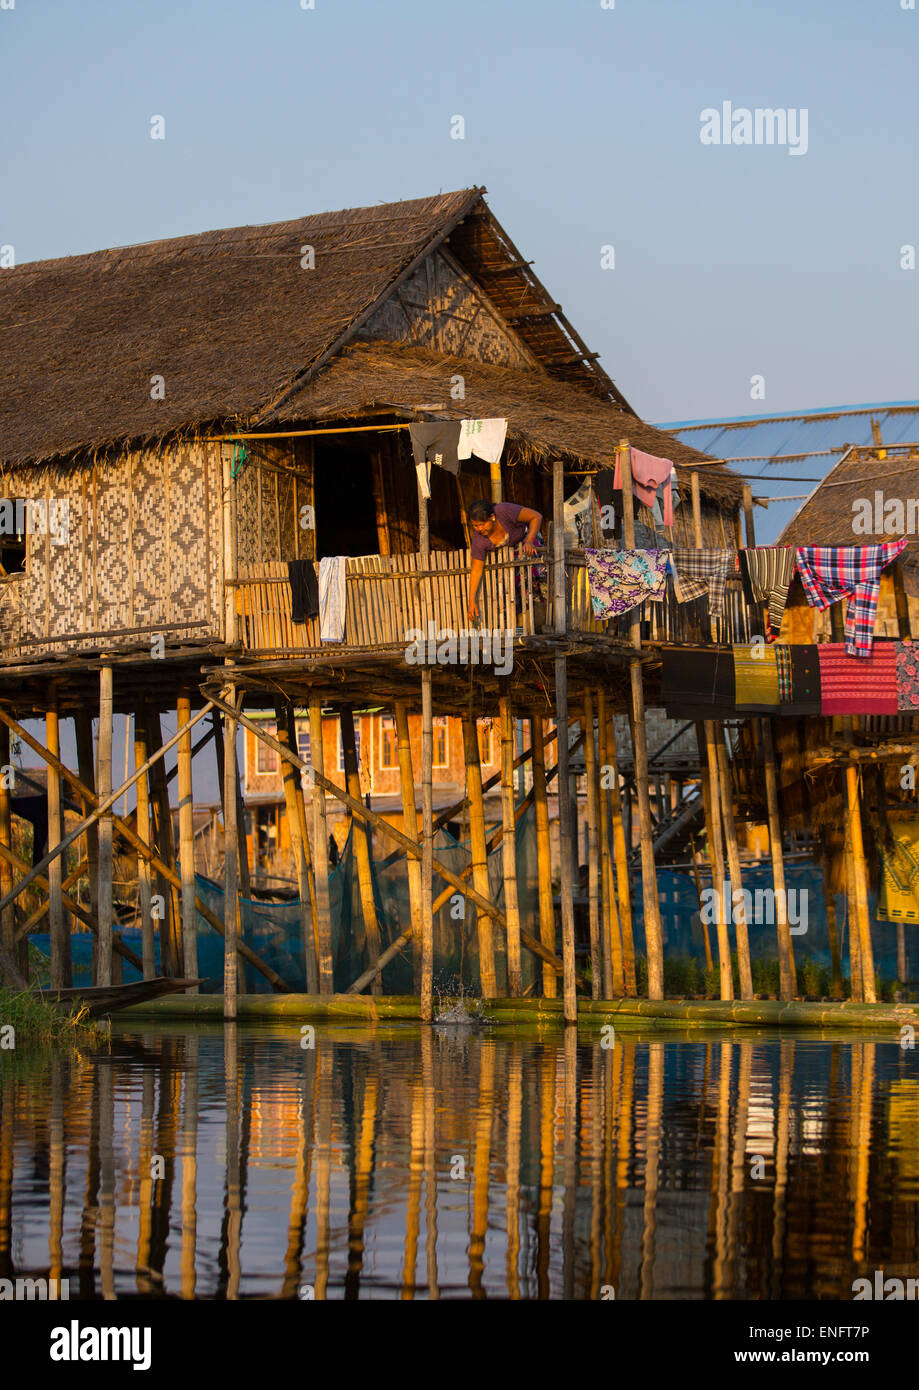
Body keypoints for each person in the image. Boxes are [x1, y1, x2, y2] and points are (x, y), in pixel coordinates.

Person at [466, 499, 544, 622]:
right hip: (509, 553)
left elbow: (536, 517)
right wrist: (471, 601)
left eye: (482, 524)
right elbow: (476, 570)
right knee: (508, 585)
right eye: (475, 525)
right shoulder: (479, 540)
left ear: (492, 517)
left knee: (537, 573)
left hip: (528, 539)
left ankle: (544, 611)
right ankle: (520, 621)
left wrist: (529, 541)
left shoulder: (504, 511)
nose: (479, 529)